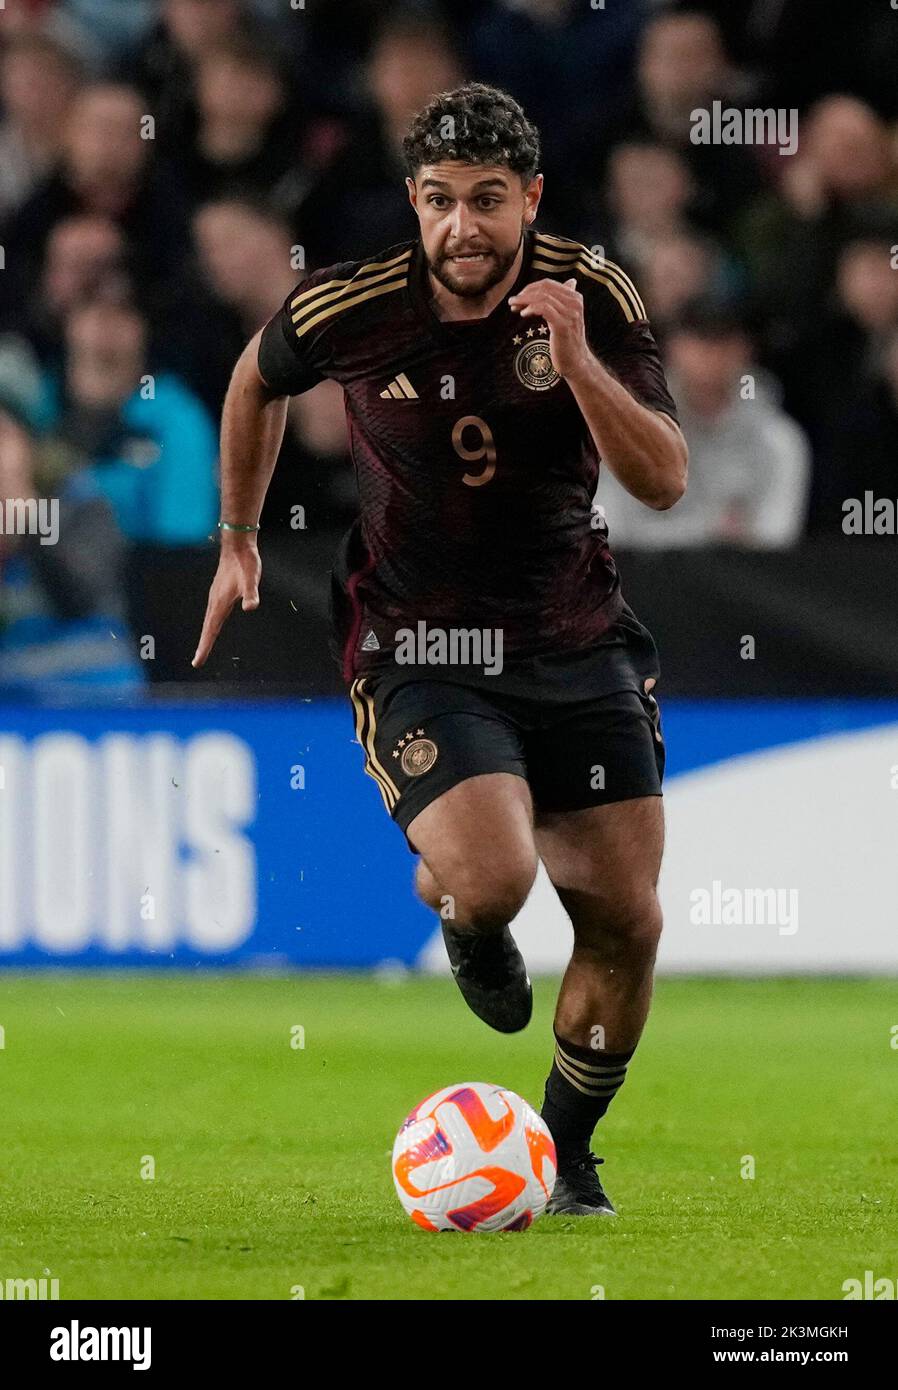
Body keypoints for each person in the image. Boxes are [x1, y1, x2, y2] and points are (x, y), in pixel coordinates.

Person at [192, 83, 688, 1218]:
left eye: (486, 200)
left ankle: (561, 1156)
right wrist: (236, 536)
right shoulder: (353, 305)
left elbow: (662, 476)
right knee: (497, 876)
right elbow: (254, 383)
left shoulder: (589, 293)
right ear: (413, 203)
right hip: (418, 644)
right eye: (438, 201)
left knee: (627, 920)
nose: (462, 227)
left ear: (531, 199)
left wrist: (575, 360)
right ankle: (469, 919)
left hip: (575, 635)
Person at [597, 298, 810, 547]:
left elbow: (776, 541)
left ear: (745, 351)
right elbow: (611, 535)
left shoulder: (778, 440)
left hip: (745, 583)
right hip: (643, 582)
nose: (710, 356)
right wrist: (709, 530)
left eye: (723, 342)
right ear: (671, 348)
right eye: (697, 340)